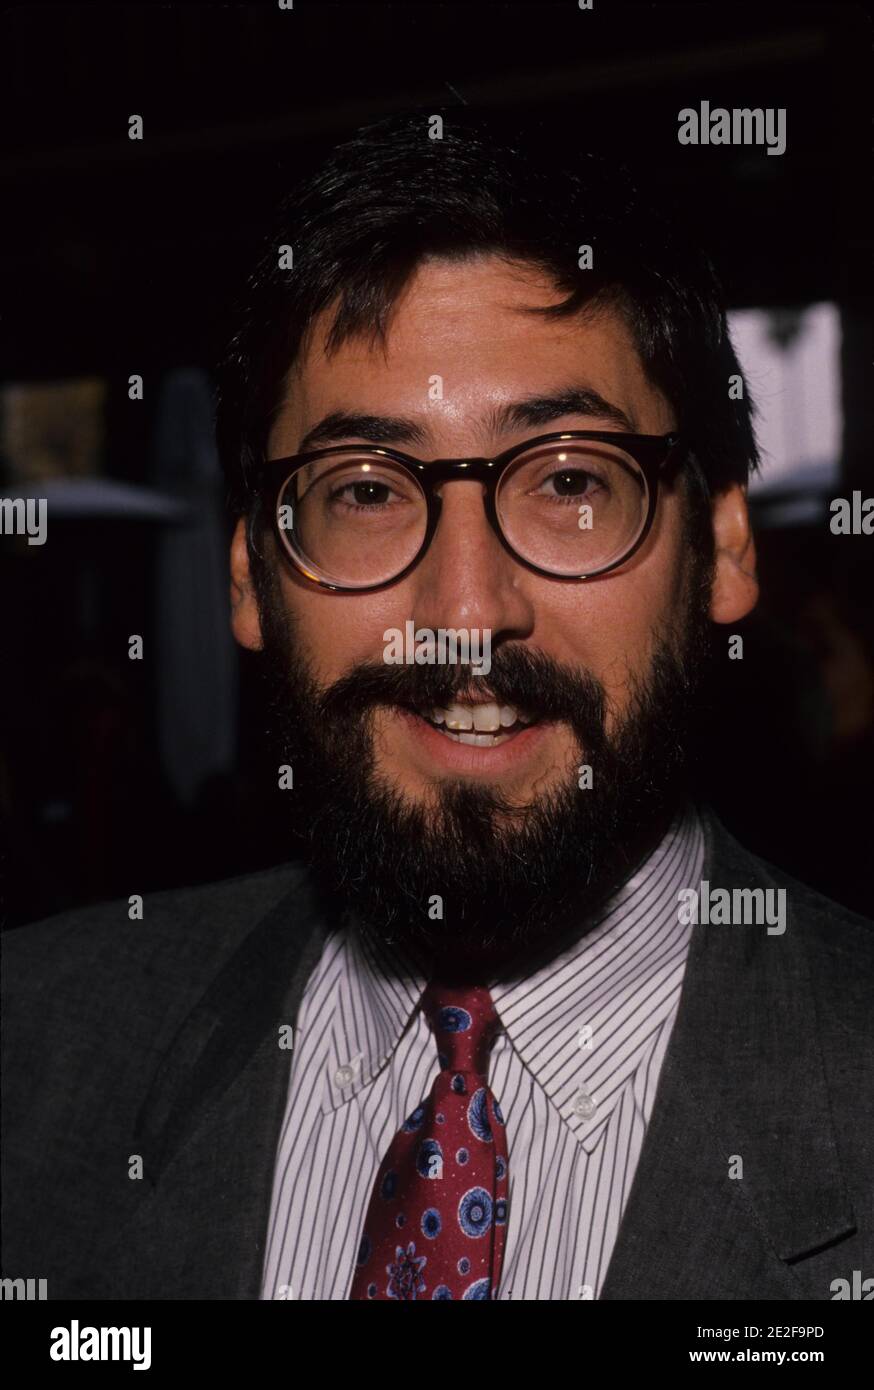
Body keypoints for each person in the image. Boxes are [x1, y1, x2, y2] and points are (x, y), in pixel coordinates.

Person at [3, 112, 872, 1302]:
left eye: (572, 479)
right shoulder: (32, 1052)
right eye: (364, 490)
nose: (465, 609)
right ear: (250, 572)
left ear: (720, 545)